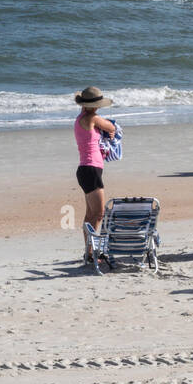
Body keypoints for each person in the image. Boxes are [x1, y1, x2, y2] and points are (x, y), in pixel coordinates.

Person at [73, 86, 117, 265]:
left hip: (86, 169)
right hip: (90, 169)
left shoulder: (82, 118)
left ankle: (89, 252)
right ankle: (92, 252)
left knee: (91, 214)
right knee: (98, 213)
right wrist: (111, 130)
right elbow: (110, 126)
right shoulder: (92, 118)